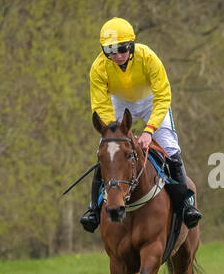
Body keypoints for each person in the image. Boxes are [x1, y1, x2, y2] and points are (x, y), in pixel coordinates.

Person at [80, 17, 202, 232]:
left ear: (132, 45)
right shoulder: (98, 67)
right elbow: (100, 105)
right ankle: (93, 208)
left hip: (151, 101)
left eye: (122, 49)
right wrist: (112, 133)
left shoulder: (148, 57)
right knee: (107, 149)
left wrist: (149, 131)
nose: (117, 56)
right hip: (117, 103)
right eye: (110, 51)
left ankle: (186, 206)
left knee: (171, 148)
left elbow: (163, 95)